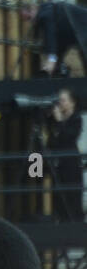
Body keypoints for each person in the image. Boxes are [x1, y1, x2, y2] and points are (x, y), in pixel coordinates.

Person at [45, 88, 84, 222]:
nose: (60, 103)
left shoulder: (76, 118)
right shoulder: (54, 120)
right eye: (59, 100)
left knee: (72, 196)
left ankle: (76, 225)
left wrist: (60, 121)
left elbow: (68, 137)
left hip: (71, 163)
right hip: (58, 164)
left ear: (72, 103)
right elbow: (51, 141)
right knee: (59, 197)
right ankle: (60, 221)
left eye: (63, 100)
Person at [26, 0, 87, 77]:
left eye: (29, 18)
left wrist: (52, 60)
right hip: (78, 32)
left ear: (33, 9)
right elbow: (59, 41)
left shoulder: (45, 14)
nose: (30, 22)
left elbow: (50, 35)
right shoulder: (51, 11)